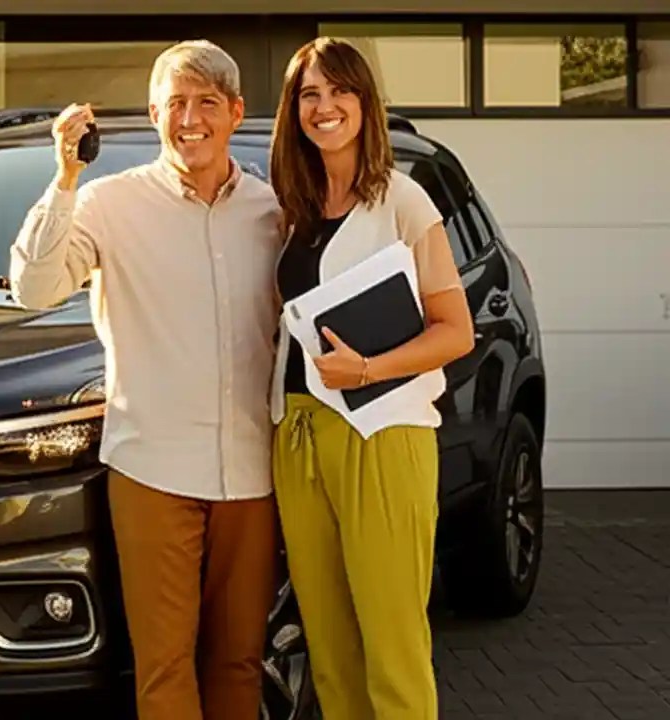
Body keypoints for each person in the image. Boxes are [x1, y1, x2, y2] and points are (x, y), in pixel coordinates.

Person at [8, 40, 285, 720]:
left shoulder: (273, 212)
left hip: (253, 471)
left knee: (240, 662)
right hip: (153, 469)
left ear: (235, 113)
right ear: (154, 114)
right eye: (176, 105)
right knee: (162, 668)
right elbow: (33, 287)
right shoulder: (106, 204)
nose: (191, 119)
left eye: (207, 104)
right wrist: (64, 177)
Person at [267, 37, 476, 720]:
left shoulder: (403, 201)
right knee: (328, 643)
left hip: (384, 436)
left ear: (365, 101)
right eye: (309, 95)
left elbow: (456, 330)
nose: (324, 107)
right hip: (297, 438)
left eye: (339, 91)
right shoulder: (291, 210)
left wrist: (369, 369)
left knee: (391, 638)